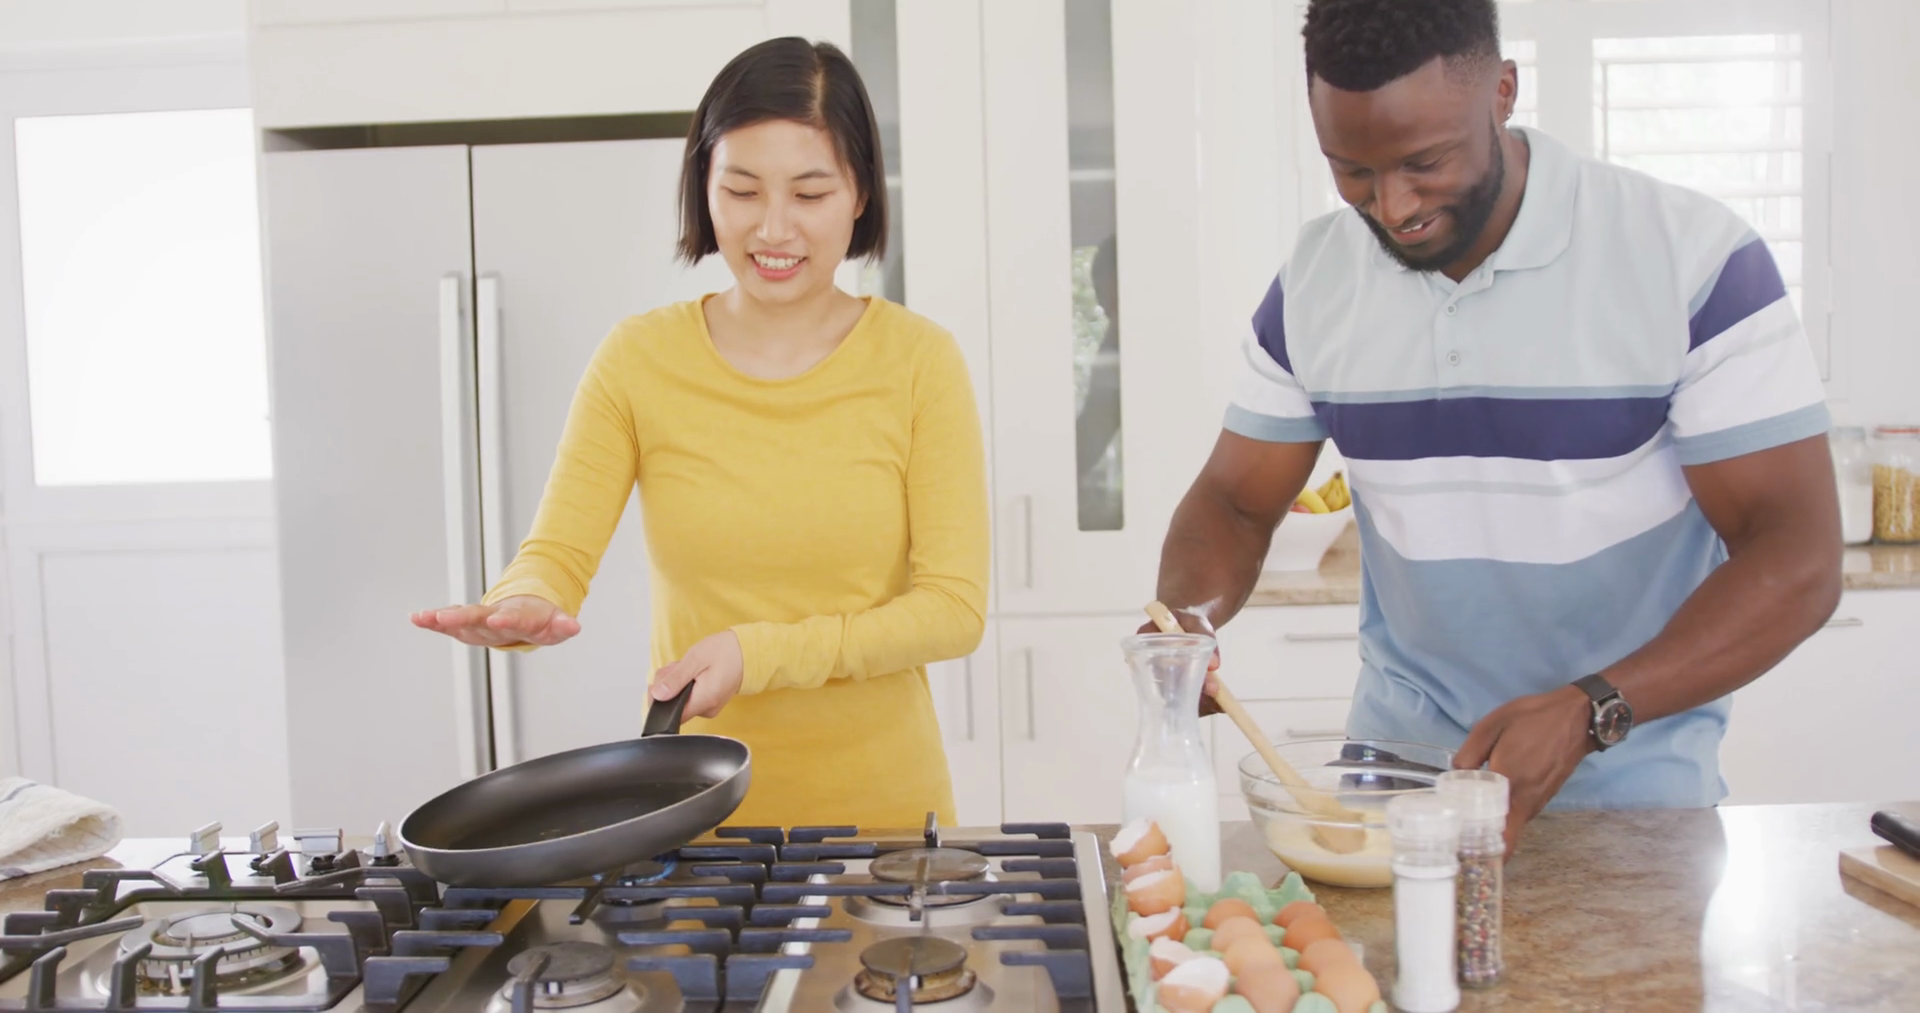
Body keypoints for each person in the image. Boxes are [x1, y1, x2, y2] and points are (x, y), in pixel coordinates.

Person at [1149, 0, 1841, 849]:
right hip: (1394, 795)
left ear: (1504, 92)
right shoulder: (1316, 281)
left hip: (1632, 804)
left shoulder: (1691, 258)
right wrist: (1186, 627)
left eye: (1424, 162)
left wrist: (1594, 706)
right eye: (1352, 170)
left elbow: (1798, 558)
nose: (1392, 206)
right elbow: (1234, 500)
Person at [412, 37, 988, 828]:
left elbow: (954, 608)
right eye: (742, 190)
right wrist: (519, 605)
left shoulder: (921, 361)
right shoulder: (639, 358)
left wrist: (761, 653)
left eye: (811, 194)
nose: (773, 228)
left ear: (860, 196)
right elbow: (555, 557)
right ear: (703, 188)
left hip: (886, 825)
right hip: (697, 820)